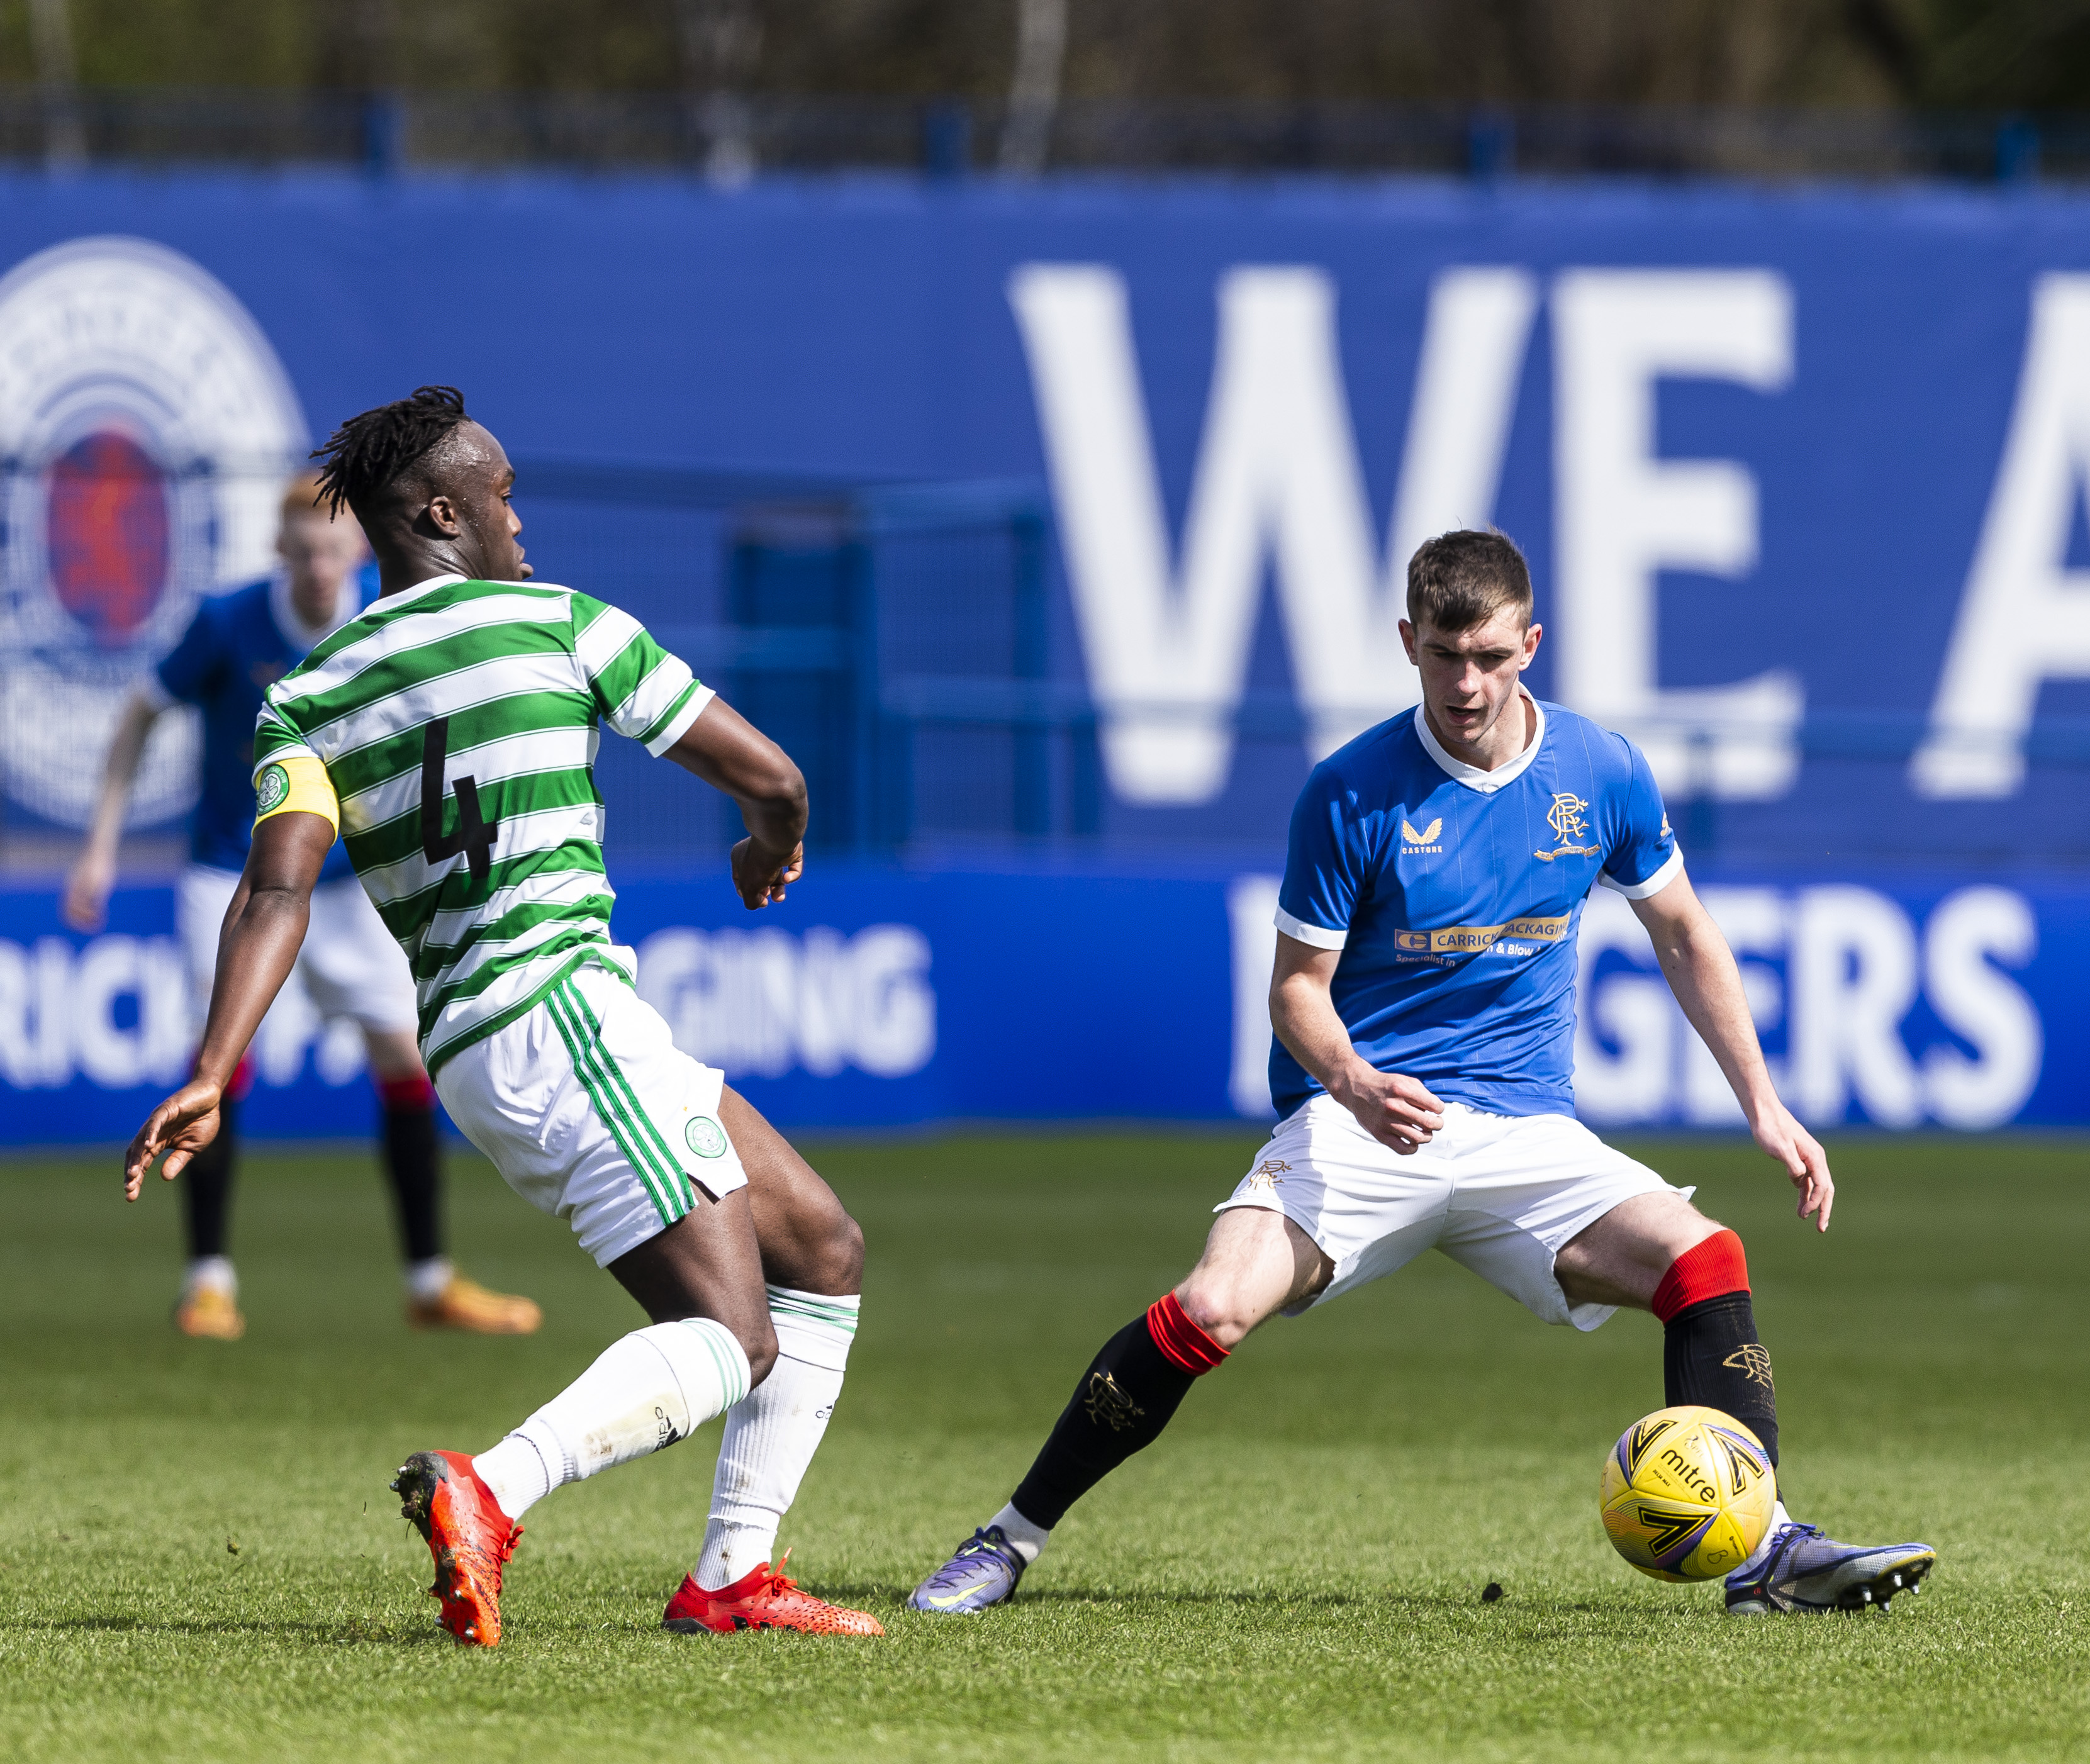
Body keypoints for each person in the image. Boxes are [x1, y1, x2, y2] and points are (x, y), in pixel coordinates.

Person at [910, 529, 1936, 1621]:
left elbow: (1684, 933)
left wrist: (1764, 1107)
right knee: (1210, 1306)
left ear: (1530, 644)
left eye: (1490, 656)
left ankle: (1762, 1554)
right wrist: (1350, 1080)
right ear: (1407, 642)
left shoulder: (1601, 770)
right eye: (1444, 654)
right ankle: (1007, 1540)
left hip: (1525, 1134)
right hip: (1362, 1124)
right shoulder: (1349, 792)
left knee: (1702, 1258)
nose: (1465, 682)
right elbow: (1294, 990)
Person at [123, 386, 880, 1646]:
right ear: (439, 511)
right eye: (502, 495)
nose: (519, 523)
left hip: (480, 1042)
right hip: (561, 1011)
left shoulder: (308, 697)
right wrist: (767, 844)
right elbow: (775, 775)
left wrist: (214, 1063)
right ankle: (492, 1487)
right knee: (729, 1337)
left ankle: (732, 1578)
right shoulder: (561, 625)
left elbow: (275, 887)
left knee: (823, 1247)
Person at [67, 474, 539, 1343]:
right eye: (305, 550)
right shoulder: (227, 622)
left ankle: (429, 1281)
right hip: (234, 874)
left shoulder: (388, 617)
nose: (321, 568)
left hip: (351, 880)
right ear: (280, 552)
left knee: (405, 1058)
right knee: (219, 1063)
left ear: (359, 550)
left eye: (335, 549)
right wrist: (101, 845)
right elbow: (139, 716)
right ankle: (207, 1282)